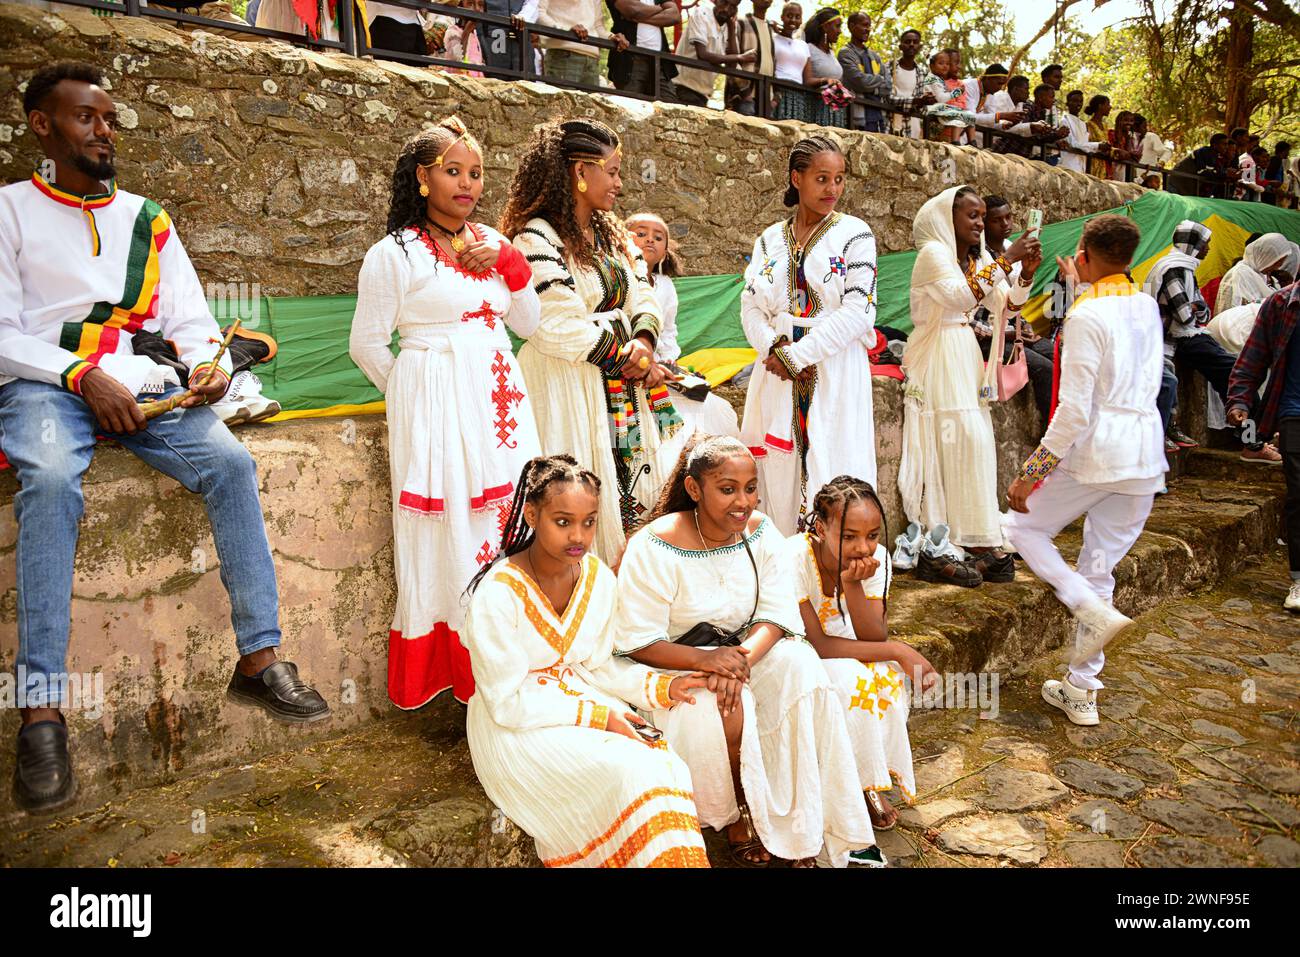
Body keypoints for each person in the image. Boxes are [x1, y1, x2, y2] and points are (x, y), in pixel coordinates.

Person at [0, 63, 331, 812]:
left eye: (109, 118)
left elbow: (189, 321)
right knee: (50, 479)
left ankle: (260, 658)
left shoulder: (147, 217)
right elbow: (1, 332)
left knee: (230, 462)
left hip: (141, 386)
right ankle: (42, 711)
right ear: (42, 126)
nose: (103, 130)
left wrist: (209, 366)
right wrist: (81, 377)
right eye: (85, 118)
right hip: (44, 384)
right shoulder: (9, 211)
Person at [614, 435, 877, 867]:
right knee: (722, 710)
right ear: (695, 489)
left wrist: (736, 661)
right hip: (677, 661)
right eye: (728, 489)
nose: (743, 501)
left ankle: (805, 822)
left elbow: (775, 614)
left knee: (802, 668)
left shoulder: (761, 531)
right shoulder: (654, 545)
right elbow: (638, 641)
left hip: (747, 650)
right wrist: (706, 661)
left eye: (751, 487)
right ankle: (738, 813)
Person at [350, 119, 542, 710]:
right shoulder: (394, 253)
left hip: (501, 402)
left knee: (511, 515)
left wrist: (509, 259)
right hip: (437, 412)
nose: (467, 183)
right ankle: (463, 678)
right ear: (423, 179)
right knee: (451, 528)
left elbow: (528, 325)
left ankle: (519, 664)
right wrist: (416, 395)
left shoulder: (491, 243)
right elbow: (367, 344)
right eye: (452, 171)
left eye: (476, 173)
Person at [461, 454, 711, 866]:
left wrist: (661, 686)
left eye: (589, 521)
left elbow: (598, 664)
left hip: (587, 700)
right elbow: (505, 702)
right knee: (634, 771)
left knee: (664, 766)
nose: (578, 535)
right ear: (531, 514)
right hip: (514, 728)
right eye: (563, 522)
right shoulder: (498, 593)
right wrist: (603, 719)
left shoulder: (597, 578)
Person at [1005, 216, 1165, 726]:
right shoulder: (1144, 305)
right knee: (1101, 567)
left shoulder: (1084, 318)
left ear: (1086, 253)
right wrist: (1082, 286)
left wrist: (1030, 472)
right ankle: (1082, 690)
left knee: (1020, 526)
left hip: (1099, 451)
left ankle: (1081, 604)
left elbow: (1072, 412)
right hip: (1144, 454)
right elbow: (1116, 324)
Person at [502, 120, 679, 563]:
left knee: (634, 488)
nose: (619, 183)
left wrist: (642, 339)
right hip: (566, 381)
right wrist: (625, 356)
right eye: (612, 171)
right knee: (577, 489)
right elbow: (554, 325)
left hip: (619, 380)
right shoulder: (536, 237)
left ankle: (622, 604)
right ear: (581, 170)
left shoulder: (611, 233)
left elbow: (643, 289)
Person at [898, 186, 1039, 586]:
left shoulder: (976, 259)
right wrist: (1007, 259)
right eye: (972, 216)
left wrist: (1024, 274)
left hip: (963, 353)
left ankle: (976, 537)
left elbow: (1006, 306)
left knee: (975, 443)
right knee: (955, 440)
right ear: (948, 218)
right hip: (937, 352)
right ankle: (947, 538)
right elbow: (962, 297)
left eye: (981, 216)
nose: (980, 223)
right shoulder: (934, 255)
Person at [739, 136, 880, 535]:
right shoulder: (768, 240)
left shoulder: (855, 233)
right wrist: (773, 346)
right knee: (779, 469)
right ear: (796, 178)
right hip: (775, 365)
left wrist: (798, 356)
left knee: (833, 459)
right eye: (822, 178)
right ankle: (782, 571)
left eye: (839, 179)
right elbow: (750, 306)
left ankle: (834, 571)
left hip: (833, 365)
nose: (832, 189)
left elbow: (859, 310)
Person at [790, 475, 938, 834]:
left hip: (852, 644)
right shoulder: (793, 557)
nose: (863, 547)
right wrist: (899, 650)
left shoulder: (878, 560)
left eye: (872, 536)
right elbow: (818, 646)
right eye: (849, 536)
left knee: (887, 679)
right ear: (822, 528)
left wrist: (852, 583)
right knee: (853, 680)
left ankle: (869, 780)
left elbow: (872, 633)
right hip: (799, 651)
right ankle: (849, 783)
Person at [1143, 220, 1279, 464]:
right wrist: (1195, 308)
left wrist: (1195, 308)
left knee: (1233, 376)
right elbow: (1185, 315)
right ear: (1193, 244)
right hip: (1178, 338)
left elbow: (1201, 310)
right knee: (1236, 375)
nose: (1208, 248)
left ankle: (1252, 436)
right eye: (1205, 243)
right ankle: (1253, 442)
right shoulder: (1173, 269)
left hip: (1190, 334)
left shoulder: (1184, 267)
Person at [625, 210, 740, 459]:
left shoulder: (665, 286)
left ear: (665, 251)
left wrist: (668, 361)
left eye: (658, 237)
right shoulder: (620, 280)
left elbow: (668, 331)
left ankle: (678, 466)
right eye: (641, 234)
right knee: (638, 431)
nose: (649, 240)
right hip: (627, 366)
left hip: (660, 370)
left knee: (712, 411)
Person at [1226, 282, 1300, 611]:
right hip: (1293, 412)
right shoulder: (1282, 304)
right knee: (1298, 496)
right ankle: (1299, 580)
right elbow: (1253, 358)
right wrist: (1240, 399)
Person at [974, 196, 1053, 424]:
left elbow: (1016, 302)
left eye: (1008, 217)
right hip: (987, 336)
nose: (1006, 224)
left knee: (1063, 356)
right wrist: (1012, 333)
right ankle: (1051, 437)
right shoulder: (977, 256)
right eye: (997, 220)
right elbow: (972, 315)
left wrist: (1025, 329)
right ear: (984, 225)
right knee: (1044, 368)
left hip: (1013, 328)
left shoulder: (1011, 248)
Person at [675, 0, 753, 109]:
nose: (726, 9)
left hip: (702, 93)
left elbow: (732, 65)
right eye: (724, 3)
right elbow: (702, 54)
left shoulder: (729, 25)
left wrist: (731, 29)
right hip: (684, 87)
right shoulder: (702, 13)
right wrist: (740, 57)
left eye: (732, 6)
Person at [536, 0, 627, 87]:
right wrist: (566, 30)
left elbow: (598, 26)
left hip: (592, 59)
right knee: (564, 102)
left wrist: (612, 37)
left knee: (590, 103)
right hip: (563, 54)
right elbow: (538, 12)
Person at [606, 0, 680, 99]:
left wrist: (639, 17)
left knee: (670, 107)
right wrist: (661, 8)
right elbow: (633, 10)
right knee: (630, 108)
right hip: (629, 58)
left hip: (660, 61)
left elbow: (675, 16)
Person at [837, 11, 890, 133]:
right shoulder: (845, 53)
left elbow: (888, 87)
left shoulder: (875, 57)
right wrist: (879, 81)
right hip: (857, 117)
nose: (868, 29)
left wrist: (872, 85)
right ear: (851, 26)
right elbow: (860, 82)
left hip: (878, 117)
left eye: (869, 26)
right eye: (864, 25)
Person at [1216, 232, 1292, 314]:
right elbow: (1233, 310)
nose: (1276, 268)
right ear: (1264, 257)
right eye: (1275, 263)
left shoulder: (1261, 275)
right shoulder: (1239, 275)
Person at [725, 0, 776, 115]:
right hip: (745, 98)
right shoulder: (741, 22)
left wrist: (775, 99)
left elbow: (773, 64)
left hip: (766, 99)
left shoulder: (771, 28)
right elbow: (731, 59)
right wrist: (744, 92)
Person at [994, 84, 1069, 161]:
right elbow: (1027, 131)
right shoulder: (1027, 107)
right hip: (1005, 151)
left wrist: (1057, 135)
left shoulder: (1042, 113)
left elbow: (1041, 136)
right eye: (1051, 97)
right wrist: (1054, 134)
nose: (1054, 100)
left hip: (1020, 156)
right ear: (1041, 98)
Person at [885, 27, 937, 138]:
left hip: (914, 126)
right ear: (901, 47)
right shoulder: (890, 67)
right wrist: (915, 101)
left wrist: (926, 101)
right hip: (892, 123)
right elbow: (886, 97)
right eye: (908, 42)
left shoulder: (921, 73)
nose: (912, 44)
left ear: (919, 47)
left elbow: (921, 106)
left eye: (915, 42)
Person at [771, 3, 817, 122]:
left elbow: (808, 79)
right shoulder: (772, 38)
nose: (793, 20)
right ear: (782, 17)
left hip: (798, 95)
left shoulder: (803, 45)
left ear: (801, 20)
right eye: (789, 16)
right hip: (777, 92)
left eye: (797, 17)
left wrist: (826, 80)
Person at [804, 7, 847, 128]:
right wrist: (825, 80)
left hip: (834, 112)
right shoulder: (808, 48)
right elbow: (806, 81)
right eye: (837, 26)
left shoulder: (832, 53)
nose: (840, 31)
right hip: (815, 109)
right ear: (825, 27)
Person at [922, 50, 975, 142]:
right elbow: (940, 98)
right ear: (932, 66)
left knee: (968, 114)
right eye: (955, 63)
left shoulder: (958, 83)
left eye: (947, 64)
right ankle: (956, 141)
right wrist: (955, 94)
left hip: (949, 129)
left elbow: (962, 104)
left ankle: (970, 141)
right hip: (933, 121)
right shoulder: (933, 79)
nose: (945, 66)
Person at [1057, 89, 1109, 174]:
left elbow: (1085, 145)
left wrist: (1101, 148)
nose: (1078, 104)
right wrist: (1097, 145)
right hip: (1069, 165)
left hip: (1082, 166)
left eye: (1081, 101)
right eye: (1075, 101)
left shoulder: (1082, 123)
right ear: (1067, 104)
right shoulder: (1064, 121)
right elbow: (1073, 144)